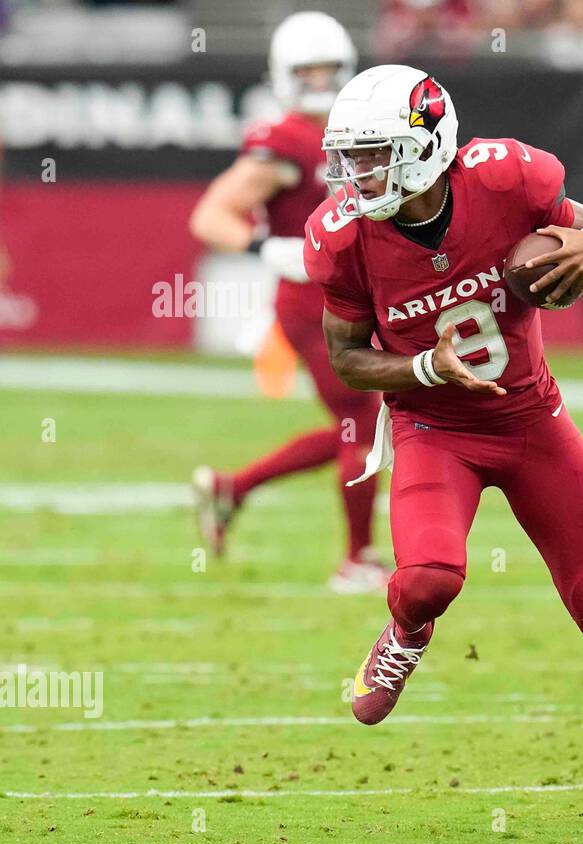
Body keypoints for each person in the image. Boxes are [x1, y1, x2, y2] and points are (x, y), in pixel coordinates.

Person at [305, 65, 583, 837]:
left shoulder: (508, 179)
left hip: (533, 421)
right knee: (429, 579)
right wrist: (425, 367)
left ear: (427, 146)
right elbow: (345, 357)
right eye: (350, 156)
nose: (355, 173)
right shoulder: (343, 237)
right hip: (434, 429)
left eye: (373, 155)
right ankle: (405, 633)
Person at [189, 12, 388, 592]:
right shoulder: (284, 141)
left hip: (353, 294)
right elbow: (209, 214)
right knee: (361, 422)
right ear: (283, 74)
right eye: (307, 70)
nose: (320, 80)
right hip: (313, 301)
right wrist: (268, 246)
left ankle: (234, 487)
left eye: (328, 68)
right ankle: (356, 559)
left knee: (370, 422)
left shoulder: (357, 126)